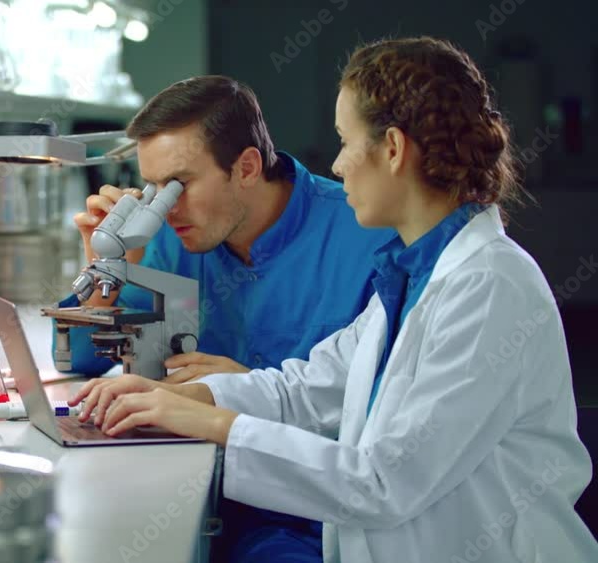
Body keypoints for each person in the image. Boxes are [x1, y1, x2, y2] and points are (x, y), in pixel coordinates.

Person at [71, 37, 598, 562]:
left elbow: (385, 481)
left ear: (392, 149)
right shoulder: (415, 273)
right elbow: (305, 388)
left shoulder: (488, 286)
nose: (339, 164)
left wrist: (209, 422)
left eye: (346, 142)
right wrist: (179, 398)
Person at [54, 75, 394, 558]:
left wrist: (251, 387)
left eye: (179, 185)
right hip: (197, 492)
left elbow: (388, 427)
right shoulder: (172, 235)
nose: (166, 208)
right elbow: (79, 361)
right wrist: (104, 271)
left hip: (311, 518)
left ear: (247, 167)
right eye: (153, 188)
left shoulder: (365, 235)